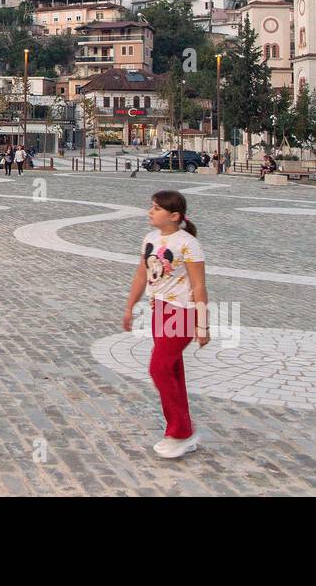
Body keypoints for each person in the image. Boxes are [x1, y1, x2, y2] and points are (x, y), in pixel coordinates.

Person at [122, 189, 209, 459]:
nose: (151, 211)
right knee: (172, 372)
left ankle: (181, 431)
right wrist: (129, 306)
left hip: (182, 312)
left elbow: (199, 285)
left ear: (174, 216)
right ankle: (184, 431)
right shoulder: (150, 238)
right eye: (151, 206)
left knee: (158, 368)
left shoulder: (187, 243)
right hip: (159, 309)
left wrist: (203, 324)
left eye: (157, 208)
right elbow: (141, 274)